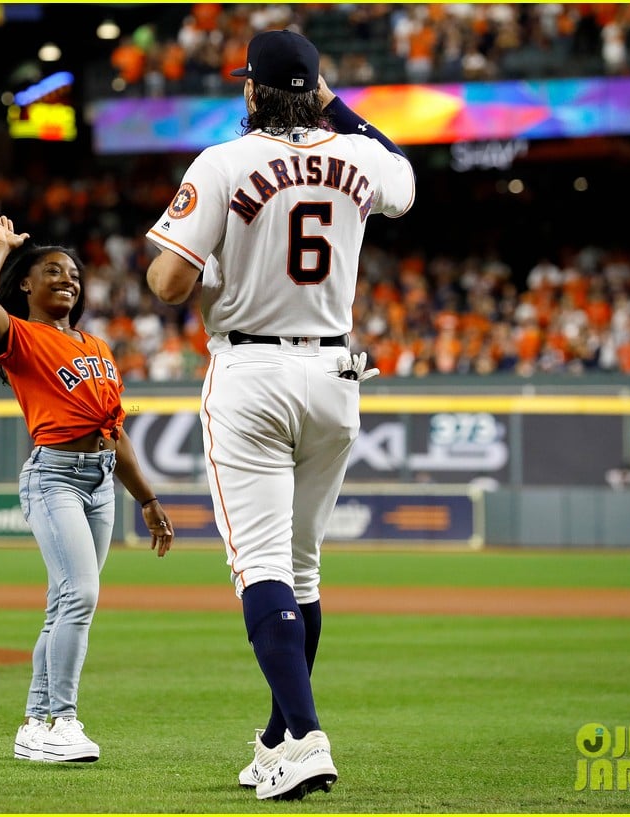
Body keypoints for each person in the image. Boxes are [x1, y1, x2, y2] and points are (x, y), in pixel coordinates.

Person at [144, 29, 415, 801]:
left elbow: (169, 283)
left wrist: (194, 261)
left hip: (252, 372)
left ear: (250, 90)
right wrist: (339, 110)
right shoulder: (359, 156)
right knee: (302, 569)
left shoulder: (223, 161)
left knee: (260, 567)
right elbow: (403, 175)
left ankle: (306, 735)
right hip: (334, 372)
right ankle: (275, 740)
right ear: (317, 91)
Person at [0, 213, 175, 764]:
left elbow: (114, 431)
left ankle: (35, 725)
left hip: (101, 482)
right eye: (53, 271)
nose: (68, 280)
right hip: (53, 476)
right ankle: (63, 719)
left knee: (65, 604)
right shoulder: (19, 337)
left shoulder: (97, 347)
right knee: (80, 595)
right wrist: (1, 247)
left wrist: (148, 499)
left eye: (75, 275)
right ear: (25, 285)